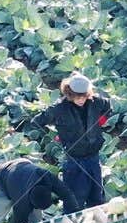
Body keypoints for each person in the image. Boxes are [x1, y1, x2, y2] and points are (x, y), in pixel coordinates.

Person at [31, 72, 113, 210]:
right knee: (75, 199)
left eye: (84, 96)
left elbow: (108, 109)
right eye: (77, 97)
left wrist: (99, 124)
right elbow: (36, 122)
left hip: (93, 157)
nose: (81, 100)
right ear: (69, 93)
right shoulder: (59, 109)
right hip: (74, 161)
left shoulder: (96, 102)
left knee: (97, 196)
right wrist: (56, 137)